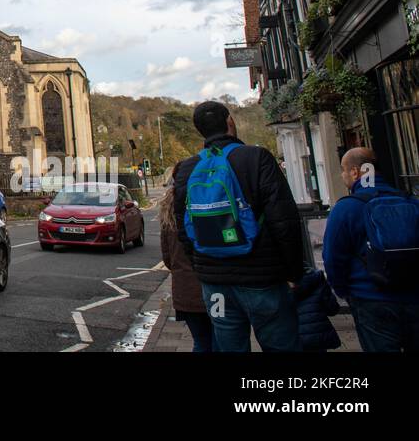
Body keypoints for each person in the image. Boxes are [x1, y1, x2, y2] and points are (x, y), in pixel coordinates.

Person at [172, 100, 302, 352]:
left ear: (200, 130)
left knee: (229, 345)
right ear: (230, 121)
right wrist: (294, 272)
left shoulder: (187, 169)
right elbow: (284, 221)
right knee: (281, 345)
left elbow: (184, 230)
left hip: (215, 285)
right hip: (262, 279)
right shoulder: (257, 158)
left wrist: (203, 269)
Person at [322, 147, 419, 351]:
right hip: (413, 295)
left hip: (370, 297)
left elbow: (332, 258)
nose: (343, 175)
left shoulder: (346, 208)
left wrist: (344, 290)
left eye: (343, 170)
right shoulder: (410, 201)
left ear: (356, 172)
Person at [159, 163, 211, 351]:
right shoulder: (210, 200)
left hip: (185, 292)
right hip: (217, 289)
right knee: (223, 340)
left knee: (201, 341)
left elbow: (167, 257)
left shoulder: (169, 210)